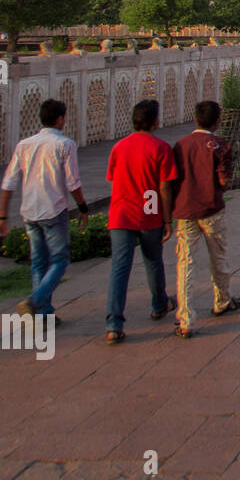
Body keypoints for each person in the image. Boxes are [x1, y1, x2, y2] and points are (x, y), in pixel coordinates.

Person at [0, 98, 88, 322]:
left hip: (29, 211)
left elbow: (9, 182)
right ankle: (36, 300)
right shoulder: (65, 144)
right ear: (59, 119)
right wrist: (83, 207)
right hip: (53, 210)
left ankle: (43, 314)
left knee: (38, 262)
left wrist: (2, 215)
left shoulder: (24, 145)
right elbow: (72, 182)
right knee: (60, 260)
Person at [105, 99, 178, 344]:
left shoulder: (119, 147)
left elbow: (114, 179)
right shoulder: (160, 148)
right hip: (149, 211)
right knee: (153, 261)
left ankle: (114, 323)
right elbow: (164, 186)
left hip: (121, 213)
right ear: (155, 121)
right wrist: (168, 220)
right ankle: (159, 304)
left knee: (120, 267)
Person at [172, 100, 240, 339]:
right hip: (211, 208)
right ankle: (222, 300)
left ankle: (185, 319)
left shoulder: (180, 145)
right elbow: (223, 181)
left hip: (185, 211)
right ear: (217, 122)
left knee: (185, 263)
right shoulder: (220, 145)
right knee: (218, 257)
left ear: (195, 120)